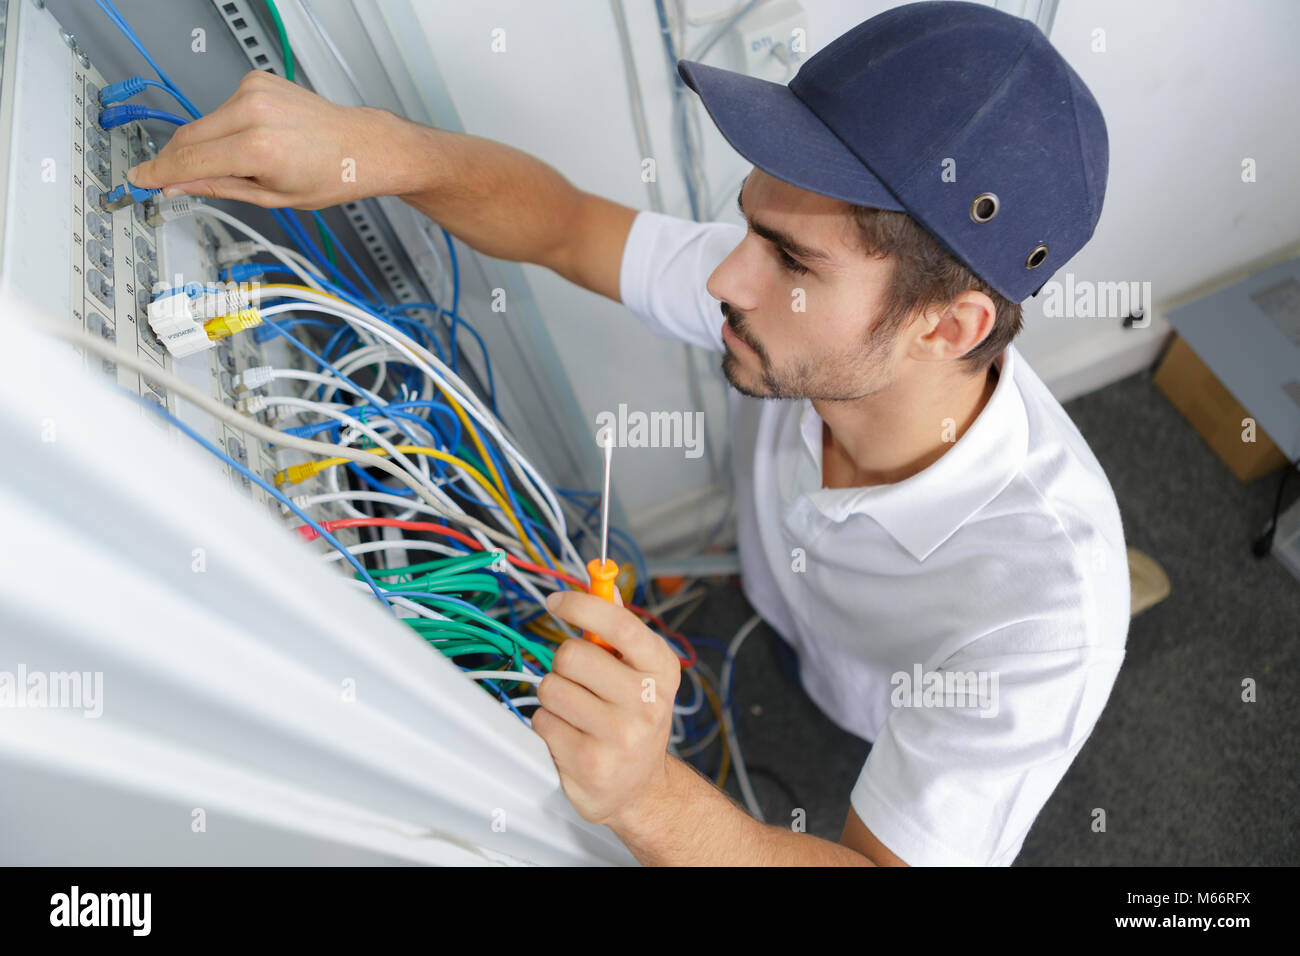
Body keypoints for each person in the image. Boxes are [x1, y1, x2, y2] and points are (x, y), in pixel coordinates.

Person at [126, 1, 1129, 866]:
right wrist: (382, 149)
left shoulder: (1044, 614)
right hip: (803, 630)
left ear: (945, 327)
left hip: (887, 713)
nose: (726, 280)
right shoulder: (782, 304)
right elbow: (563, 223)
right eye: (747, 226)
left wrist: (644, 793)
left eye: (787, 258)